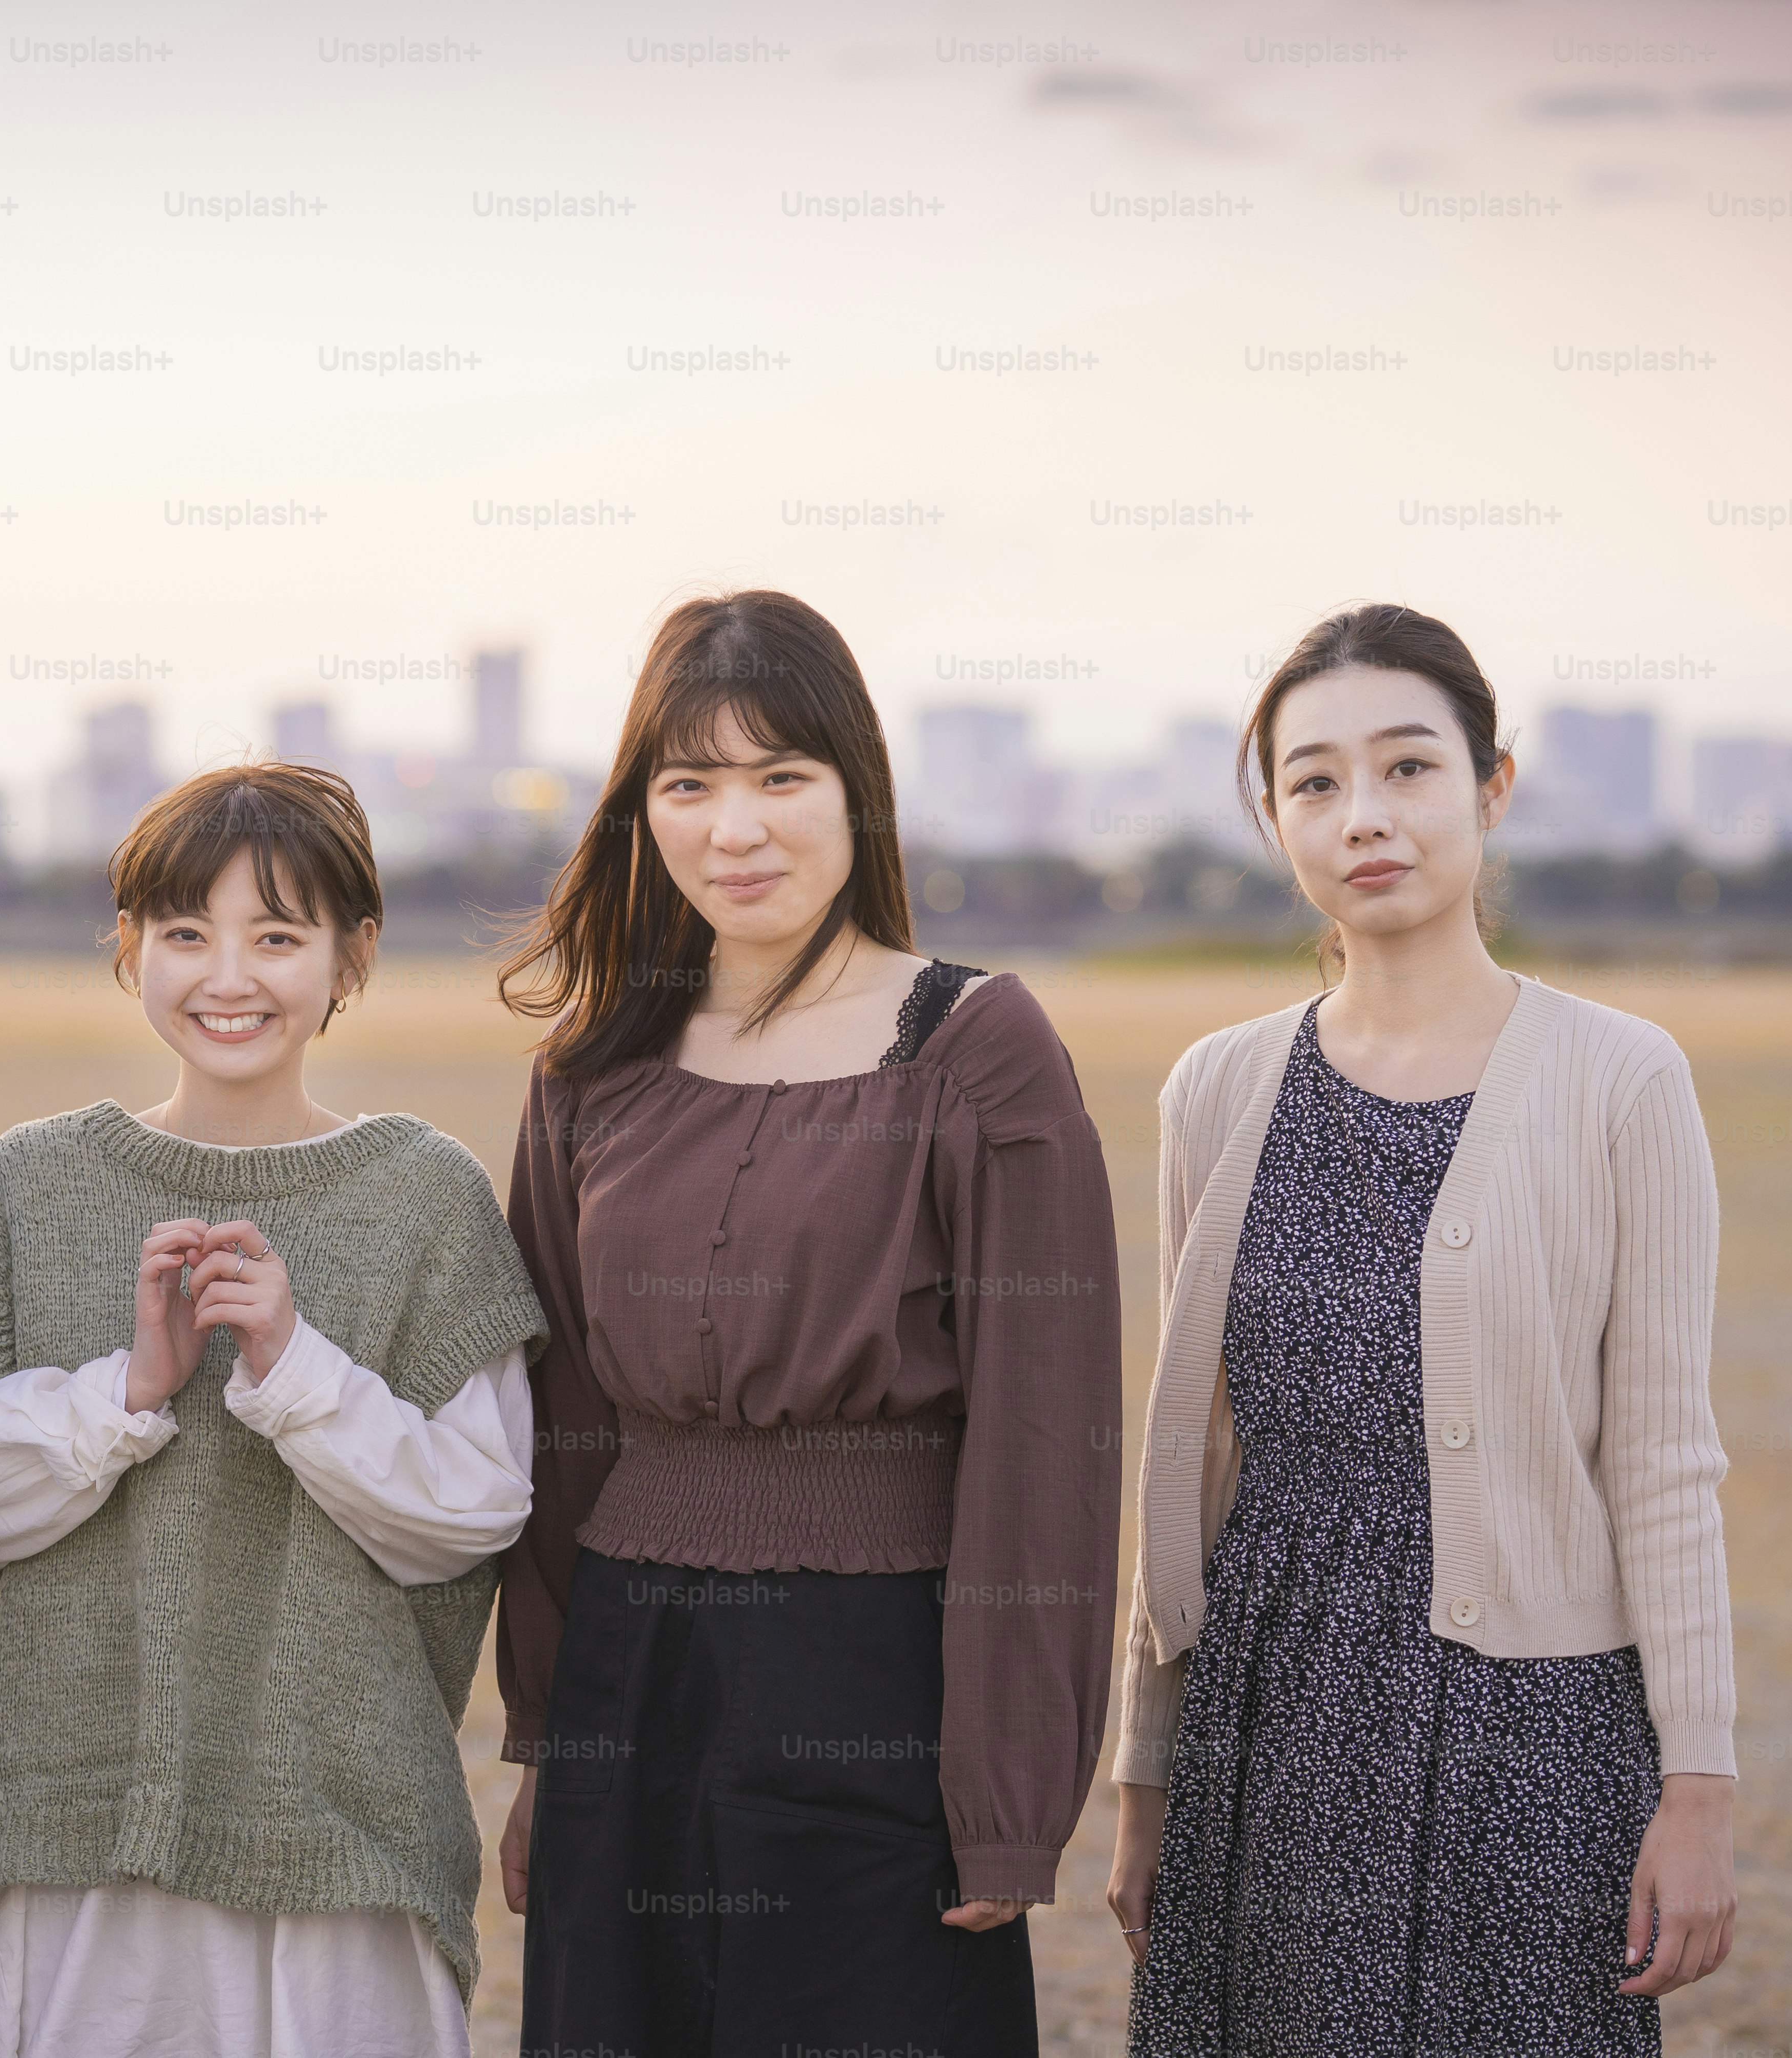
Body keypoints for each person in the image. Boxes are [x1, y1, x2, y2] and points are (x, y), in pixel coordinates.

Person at [493, 590, 1124, 2053]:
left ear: (858, 793)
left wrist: (1007, 1796)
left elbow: (1044, 1441)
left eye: (782, 776)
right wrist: (547, 1744)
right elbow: (560, 1426)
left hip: (881, 1689)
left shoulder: (976, 1048)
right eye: (689, 784)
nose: (737, 829)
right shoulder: (590, 1067)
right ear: (641, 810)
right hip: (632, 1682)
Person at [1104, 604, 1738, 2054]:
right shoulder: (1216, 1088)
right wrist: (1147, 1776)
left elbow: (1662, 1461)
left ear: (1491, 787)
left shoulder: (1623, 1080)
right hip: (1269, 1711)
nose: (1364, 816)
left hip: (1536, 1730)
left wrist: (1699, 1787)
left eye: (1408, 767)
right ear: (1277, 820)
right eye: (1315, 782)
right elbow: (1189, 1463)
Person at [0, 761, 547, 2057]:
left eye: (279, 935)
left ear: (354, 956)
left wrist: (296, 1369)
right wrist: (127, 1391)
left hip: (346, 1832)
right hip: (62, 1824)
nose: (228, 975)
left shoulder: (427, 1197)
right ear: (129, 946)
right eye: (186, 932)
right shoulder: (30, 1183)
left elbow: (474, 1510)